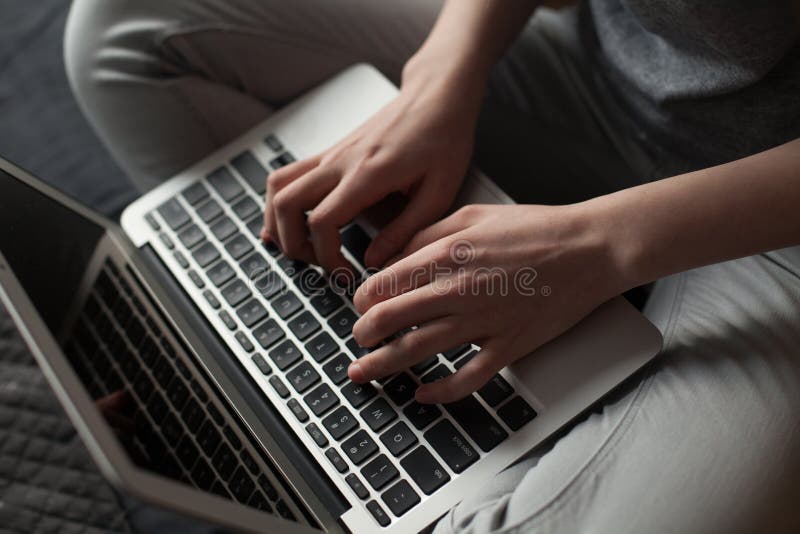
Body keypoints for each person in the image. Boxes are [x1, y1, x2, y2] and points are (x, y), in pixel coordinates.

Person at [64, 0, 800, 532]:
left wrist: (599, 245)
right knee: (123, 30)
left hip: (769, 224)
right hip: (593, 81)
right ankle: (245, 360)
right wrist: (441, 75)